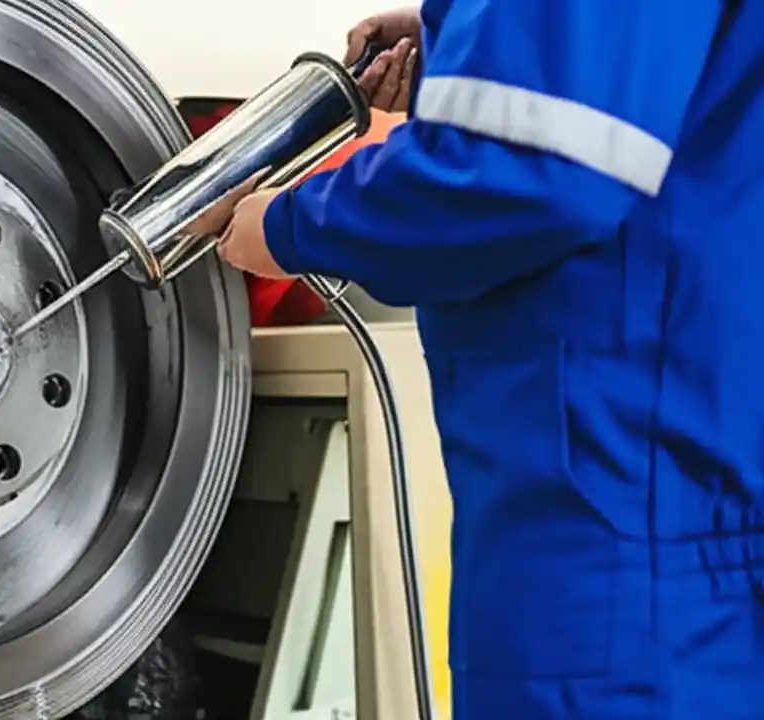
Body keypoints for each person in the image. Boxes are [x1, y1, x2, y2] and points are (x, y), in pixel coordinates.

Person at [219, 2, 763, 719]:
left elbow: (540, 169)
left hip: (619, 515)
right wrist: (469, 41)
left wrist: (290, 224)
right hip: (673, 482)